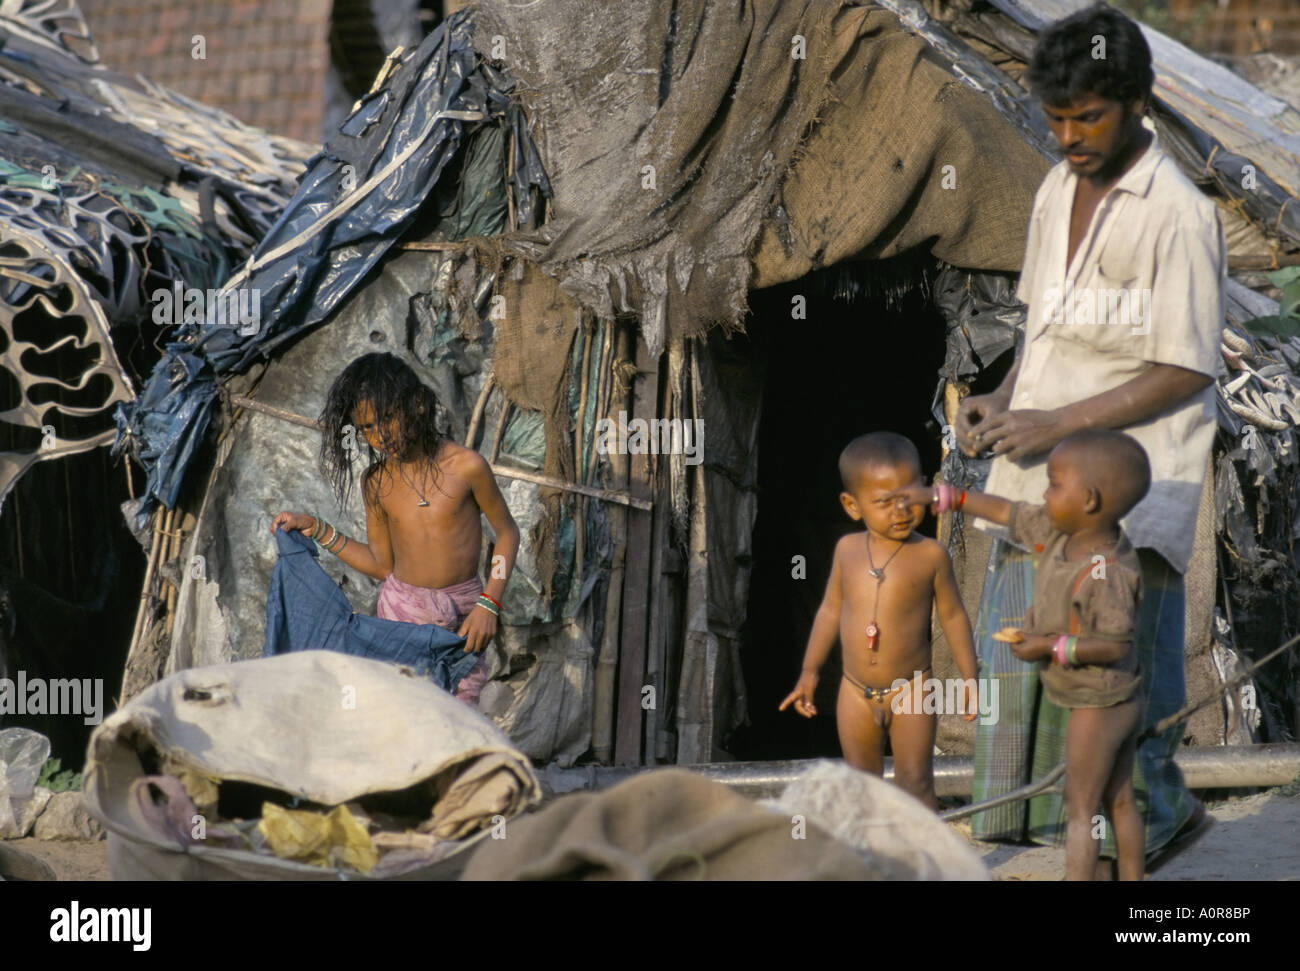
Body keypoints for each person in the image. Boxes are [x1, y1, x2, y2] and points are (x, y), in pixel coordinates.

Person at [956, 4, 1221, 863]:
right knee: (1026, 655)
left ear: (1139, 101)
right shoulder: (1055, 185)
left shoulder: (1176, 212)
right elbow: (1047, 330)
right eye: (1056, 117)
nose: (1068, 135)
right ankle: (1056, 823)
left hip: (1131, 479)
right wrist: (999, 401)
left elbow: (1186, 366)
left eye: (1089, 117)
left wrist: (1059, 422)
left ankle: (1159, 814)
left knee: (1121, 670)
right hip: (1040, 467)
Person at [897, 431, 1151, 879]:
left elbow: (1116, 645)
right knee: (1118, 797)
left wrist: (1051, 646)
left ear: (1089, 499)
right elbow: (1007, 513)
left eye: (1053, 484)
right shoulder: (1061, 532)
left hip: (1101, 703)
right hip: (1109, 695)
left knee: (1082, 804)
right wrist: (948, 496)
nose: (1044, 493)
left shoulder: (1105, 570)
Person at [272, 352, 520, 706]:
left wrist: (489, 602)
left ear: (418, 403)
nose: (379, 435)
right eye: (366, 428)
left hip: (464, 617)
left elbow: (508, 533)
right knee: (402, 712)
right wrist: (318, 529)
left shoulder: (466, 467)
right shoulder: (376, 483)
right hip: (402, 614)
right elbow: (381, 565)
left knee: (459, 712)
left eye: (387, 418)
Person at [779, 432, 978, 809]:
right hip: (854, 692)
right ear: (852, 505)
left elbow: (953, 616)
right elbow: (829, 610)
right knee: (863, 788)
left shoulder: (931, 555)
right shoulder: (847, 551)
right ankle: (873, 863)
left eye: (908, 496)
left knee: (916, 784)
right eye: (884, 502)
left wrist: (969, 680)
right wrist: (809, 672)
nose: (900, 510)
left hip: (912, 689)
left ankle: (924, 863)